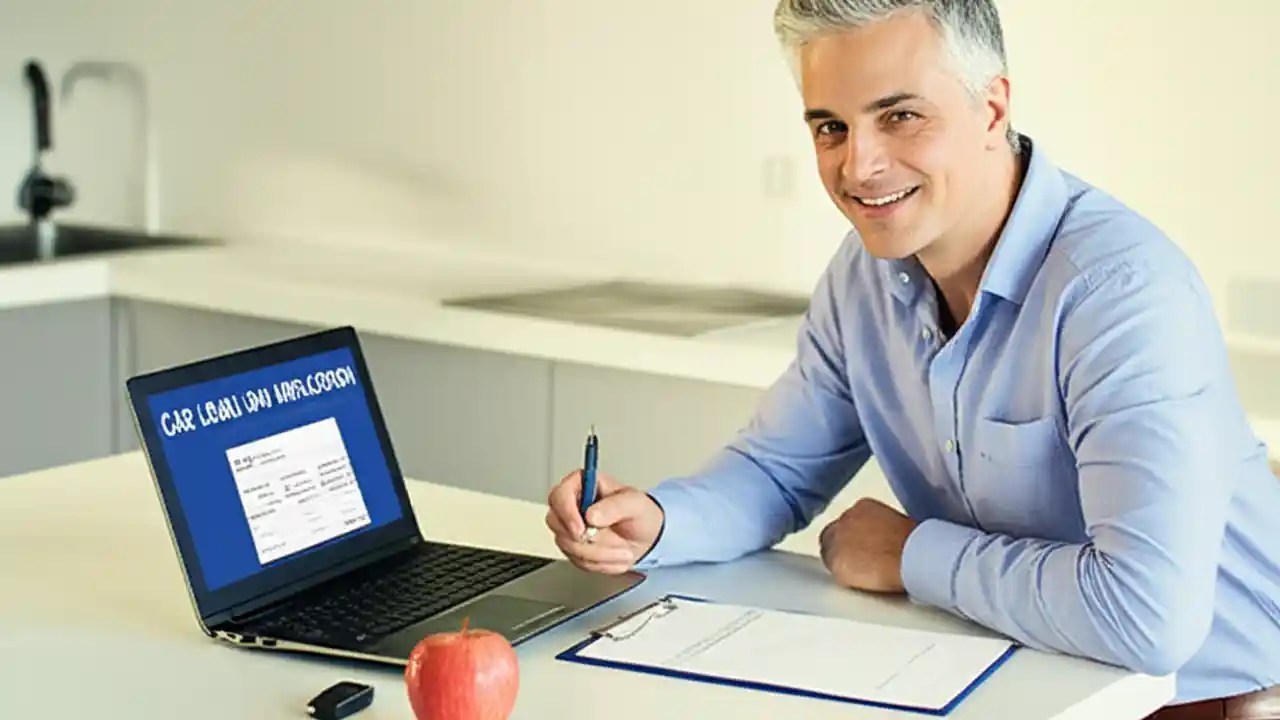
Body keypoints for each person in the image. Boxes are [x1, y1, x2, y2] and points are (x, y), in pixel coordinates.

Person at [544, 1, 1280, 717]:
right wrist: (662, 520)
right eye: (831, 127)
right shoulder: (865, 274)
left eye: (900, 116)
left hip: (1209, 700)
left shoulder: (1119, 294)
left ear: (992, 109)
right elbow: (776, 471)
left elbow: (1145, 616)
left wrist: (910, 556)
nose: (859, 166)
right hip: (1022, 679)